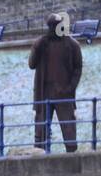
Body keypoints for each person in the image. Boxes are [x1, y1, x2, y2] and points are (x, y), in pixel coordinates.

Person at [28, 13, 83, 152]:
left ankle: (71, 154)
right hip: (44, 92)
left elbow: (77, 68)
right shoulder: (41, 44)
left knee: (69, 129)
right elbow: (31, 64)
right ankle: (41, 153)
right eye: (52, 26)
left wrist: (70, 88)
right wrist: (36, 47)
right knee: (41, 131)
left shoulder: (72, 45)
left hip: (63, 93)